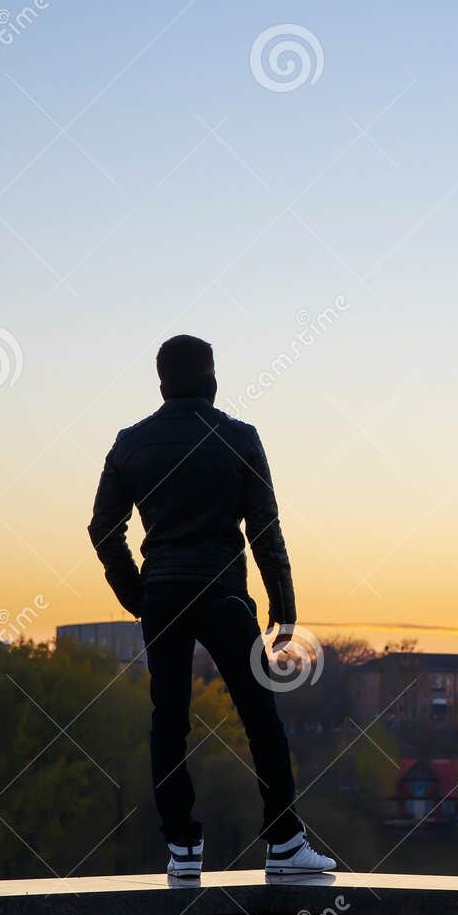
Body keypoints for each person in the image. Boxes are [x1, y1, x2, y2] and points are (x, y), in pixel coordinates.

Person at [87, 334, 335, 882]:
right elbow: (265, 529)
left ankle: (181, 847)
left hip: (164, 596)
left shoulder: (131, 443)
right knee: (260, 716)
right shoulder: (238, 438)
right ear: (212, 378)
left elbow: (103, 528)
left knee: (168, 720)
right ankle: (285, 843)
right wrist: (284, 603)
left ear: (161, 383)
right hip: (224, 594)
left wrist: (137, 593)